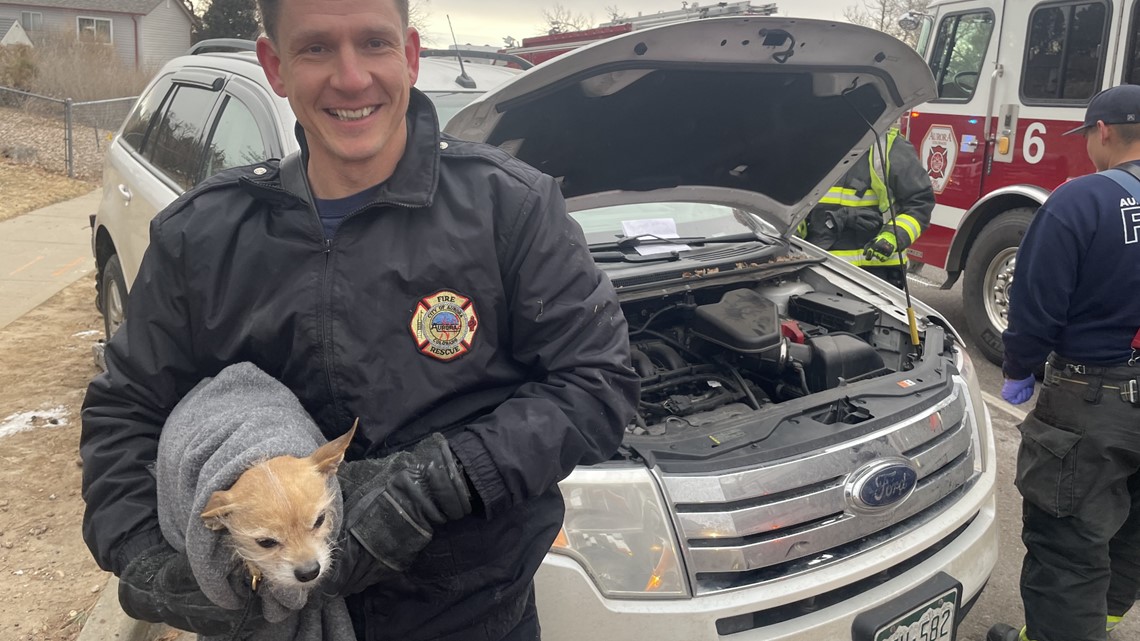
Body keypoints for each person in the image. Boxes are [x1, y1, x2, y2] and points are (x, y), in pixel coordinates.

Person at [78, 0, 640, 639]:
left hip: (472, 616)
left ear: (410, 55)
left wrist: (440, 480)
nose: (351, 78)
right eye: (316, 48)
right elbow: (126, 411)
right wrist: (140, 552)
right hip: (265, 624)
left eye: (374, 42)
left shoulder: (510, 207)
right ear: (275, 66)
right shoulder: (202, 234)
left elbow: (596, 384)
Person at [989, 84, 1140, 641]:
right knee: (1132, 530)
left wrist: (1019, 369)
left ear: (1103, 132)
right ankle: (1096, 624)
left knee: (1068, 546)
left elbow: (1035, 306)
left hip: (1093, 405)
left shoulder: (1081, 200)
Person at [798, 126, 934, 289]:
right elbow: (794, 202)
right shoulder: (814, 146)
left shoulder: (890, 148)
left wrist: (893, 236)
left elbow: (920, 203)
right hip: (816, 267)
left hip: (875, 272)